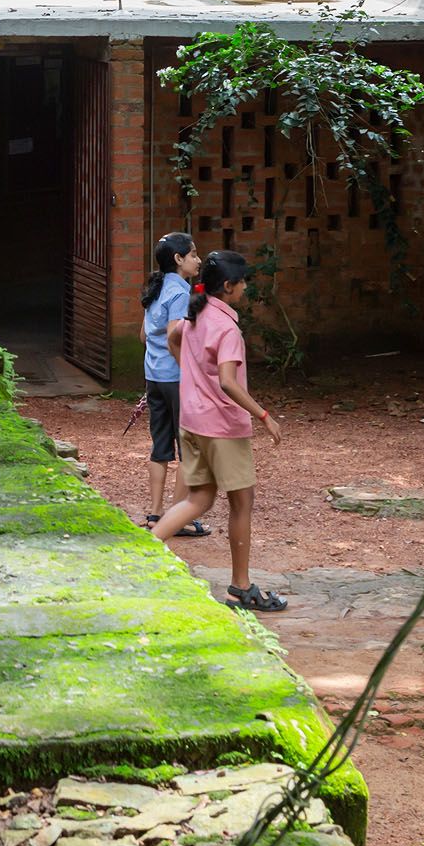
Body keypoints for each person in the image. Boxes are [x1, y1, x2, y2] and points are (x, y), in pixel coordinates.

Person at [153, 249, 286, 612]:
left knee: (198, 499)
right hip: (223, 426)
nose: (245, 288)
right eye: (242, 282)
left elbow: (173, 337)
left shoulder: (196, 314)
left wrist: (192, 379)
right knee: (242, 504)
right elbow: (228, 382)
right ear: (228, 286)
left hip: (193, 422)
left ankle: (145, 550)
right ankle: (240, 588)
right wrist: (264, 416)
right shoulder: (227, 327)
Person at [139, 232, 202, 533]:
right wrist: (190, 372)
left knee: (160, 446)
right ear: (178, 259)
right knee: (188, 448)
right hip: (176, 378)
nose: (198, 260)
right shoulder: (179, 292)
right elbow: (175, 335)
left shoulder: (155, 287)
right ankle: (178, 519)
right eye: (192, 255)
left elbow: (143, 336)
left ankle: (155, 513)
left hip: (153, 376)